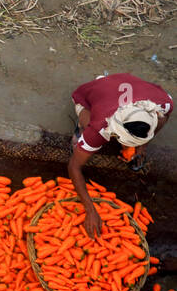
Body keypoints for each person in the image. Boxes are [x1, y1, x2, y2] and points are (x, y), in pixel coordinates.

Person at [67, 73, 171, 237]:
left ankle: (105, 81)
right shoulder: (99, 128)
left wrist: (142, 148)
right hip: (88, 96)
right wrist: (90, 209)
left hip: (124, 84)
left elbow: (163, 118)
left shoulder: (162, 105)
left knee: (159, 118)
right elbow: (74, 167)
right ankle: (84, 120)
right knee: (86, 130)